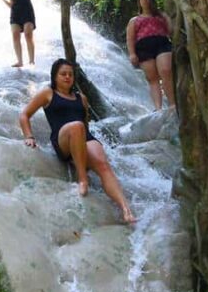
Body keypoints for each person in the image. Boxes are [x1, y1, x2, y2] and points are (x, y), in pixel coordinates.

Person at [19, 59, 137, 224]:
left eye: (70, 74)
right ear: (55, 76)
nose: (67, 77)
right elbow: (24, 115)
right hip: (62, 139)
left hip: (83, 136)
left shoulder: (82, 98)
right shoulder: (47, 93)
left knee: (103, 165)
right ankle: (82, 178)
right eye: (63, 74)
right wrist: (29, 137)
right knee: (76, 126)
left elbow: (86, 125)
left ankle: (126, 210)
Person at [126, 0, 175, 110]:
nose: (145, 0)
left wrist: (167, 17)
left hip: (162, 43)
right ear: (139, 2)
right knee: (152, 79)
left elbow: (170, 30)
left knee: (166, 71)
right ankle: (158, 109)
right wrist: (132, 54)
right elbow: (130, 38)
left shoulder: (161, 16)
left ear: (152, 0)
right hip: (144, 48)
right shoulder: (134, 20)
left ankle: (172, 104)